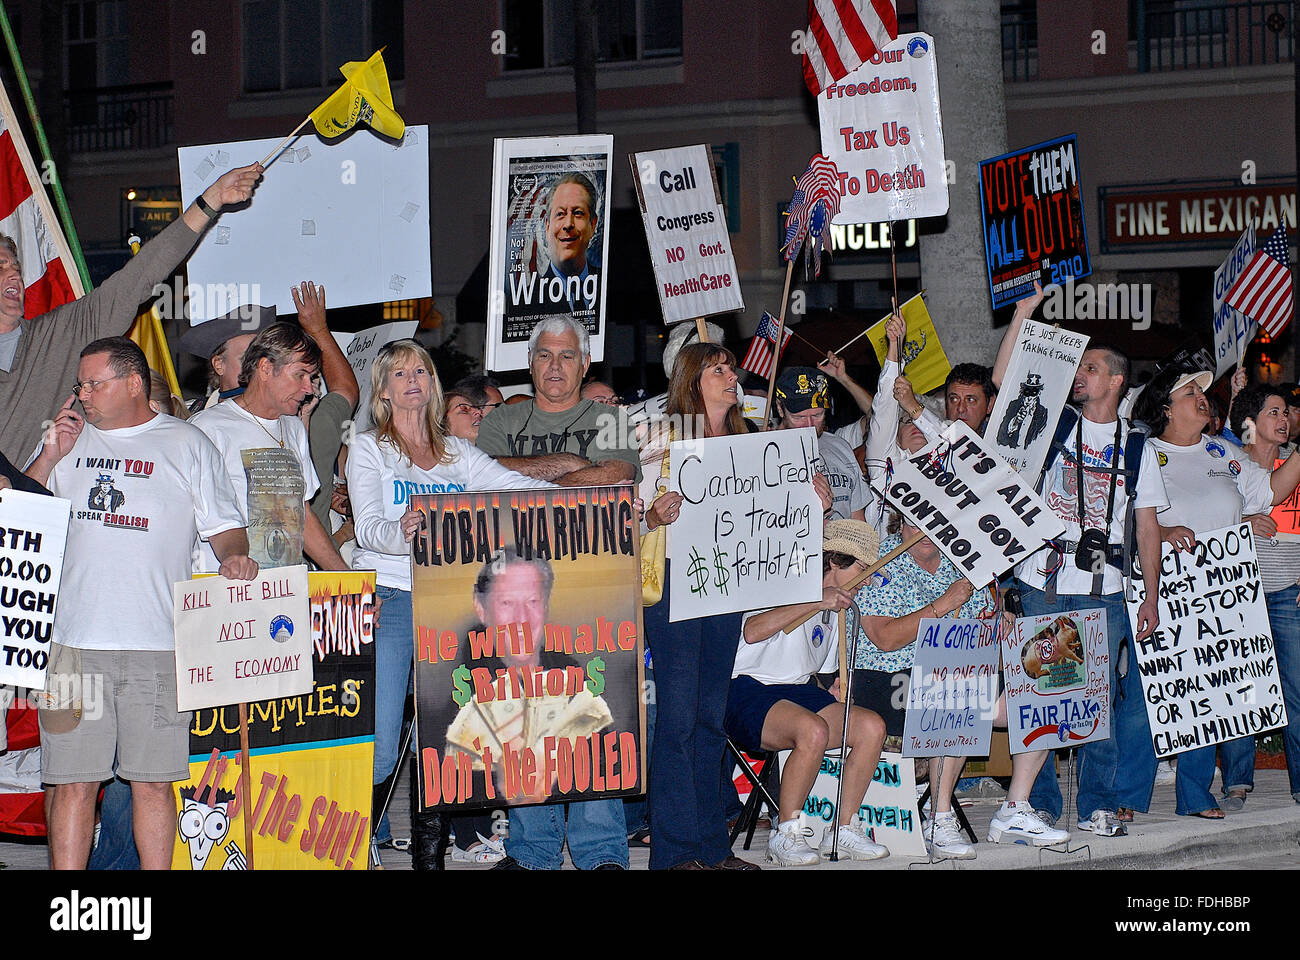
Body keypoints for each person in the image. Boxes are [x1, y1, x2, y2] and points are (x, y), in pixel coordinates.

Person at [26, 337, 256, 869]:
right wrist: (49, 455)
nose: (82, 394)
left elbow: (225, 528)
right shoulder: (66, 440)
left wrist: (235, 558)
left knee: (155, 782)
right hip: (72, 646)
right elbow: (19, 515)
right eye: (80, 384)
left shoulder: (187, 442)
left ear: (134, 383)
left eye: (94, 383)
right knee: (72, 782)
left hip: (158, 642)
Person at [345, 339, 550, 869]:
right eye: (400, 372)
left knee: (443, 739)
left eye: (421, 370)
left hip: (450, 606)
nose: (413, 379)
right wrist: (400, 532)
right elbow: (367, 527)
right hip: (390, 598)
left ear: (432, 384)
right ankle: (355, 837)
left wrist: (599, 497)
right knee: (384, 743)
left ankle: (429, 859)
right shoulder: (369, 448)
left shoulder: (459, 454)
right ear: (384, 390)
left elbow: (516, 489)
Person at [476, 315, 638, 871]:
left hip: (597, 588)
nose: (554, 366)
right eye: (544, 355)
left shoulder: (609, 416)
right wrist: (573, 468)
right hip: (523, 588)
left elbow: (618, 471)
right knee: (523, 712)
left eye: (566, 356)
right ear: (530, 362)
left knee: (596, 711)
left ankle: (601, 851)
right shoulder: (502, 418)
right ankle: (532, 850)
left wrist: (532, 481)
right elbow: (485, 475)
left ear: (585, 363)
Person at [1011, 338, 1166, 837]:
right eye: (1078, 367)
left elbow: (1146, 527)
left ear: (1116, 380)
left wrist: (1153, 596)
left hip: (1106, 587)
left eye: (1091, 368)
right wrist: (1026, 312)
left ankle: (1098, 804)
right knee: (1040, 694)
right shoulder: (1052, 427)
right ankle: (1037, 805)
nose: (1080, 374)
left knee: (1095, 699)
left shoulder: (1139, 445)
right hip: (1045, 580)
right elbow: (1006, 384)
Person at [0, 163, 262, 457]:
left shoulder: (57, 335)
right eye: (1, 266)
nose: (14, 275)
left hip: (45, 500)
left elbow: (138, 277)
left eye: (16, 267)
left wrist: (211, 200)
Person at [1134, 368, 1300, 818]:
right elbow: (1131, 519)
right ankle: (1126, 797)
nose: (1202, 397)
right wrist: (1164, 531)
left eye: (1204, 392)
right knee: (1161, 698)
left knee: (1209, 694)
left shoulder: (1221, 451)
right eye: (1191, 392)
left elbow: (1266, 493)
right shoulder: (1145, 452)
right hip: (1166, 589)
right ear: (1166, 407)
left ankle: (1195, 796)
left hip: (1222, 595)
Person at [851, 516, 1065, 856]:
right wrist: (943, 605)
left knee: (1044, 686)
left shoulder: (963, 563)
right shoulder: (881, 563)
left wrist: (998, 622)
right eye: (913, 524)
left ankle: (1015, 809)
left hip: (951, 673)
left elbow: (979, 622)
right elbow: (884, 638)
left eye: (933, 524)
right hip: (888, 680)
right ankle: (938, 818)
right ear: (899, 523)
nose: (922, 533)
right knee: (963, 689)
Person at [639, 341, 776, 870]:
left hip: (723, 587)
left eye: (732, 368)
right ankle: (674, 854)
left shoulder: (749, 441)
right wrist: (653, 514)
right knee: (676, 720)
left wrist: (812, 496)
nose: (731, 375)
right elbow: (626, 517)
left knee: (708, 719)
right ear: (693, 380)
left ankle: (712, 850)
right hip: (674, 587)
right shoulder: (661, 442)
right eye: (718, 368)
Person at [728, 520, 889, 866]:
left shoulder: (839, 609)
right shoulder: (782, 580)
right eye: (863, 568)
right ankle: (786, 832)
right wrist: (816, 602)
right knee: (812, 729)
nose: (869, 579)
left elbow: (816, 669)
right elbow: (752, 631)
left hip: (798, 689)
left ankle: (844, 828)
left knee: (871, 726)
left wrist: (834, 686)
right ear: (834, 561)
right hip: (746, 687)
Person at [190, 322, 348, 571]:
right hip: (227, 589)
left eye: (311, 377)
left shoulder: (293, 427)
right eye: (300, 375)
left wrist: (346, 576)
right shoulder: (208, 428)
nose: (308, 389)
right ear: (265, 368)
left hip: (284, 591)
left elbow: (302, 516)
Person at [1234, 384, 1300, 805]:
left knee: (1296, 690)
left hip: (1289, 592)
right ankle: (1238, 780)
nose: (1283, 419)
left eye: (1285, 412)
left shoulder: (1295, 463)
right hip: (1238, 593)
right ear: (1249, 423)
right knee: (1242, 688)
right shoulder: (1225, 463)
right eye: (1273, 412)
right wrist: (1243, 518)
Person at [773, 365, 869, 521]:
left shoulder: (841, 446)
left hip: (846, 543)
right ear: (780, 408)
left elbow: (857, 519)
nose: (810, 424)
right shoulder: (766, 453)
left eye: (817, 415)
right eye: (799, 418)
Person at [177, 303, 279, 406]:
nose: (261, 366)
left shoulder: (285, 413)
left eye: (264, 358)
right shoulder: (191, 416)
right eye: (247, 358)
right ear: (219, 365)